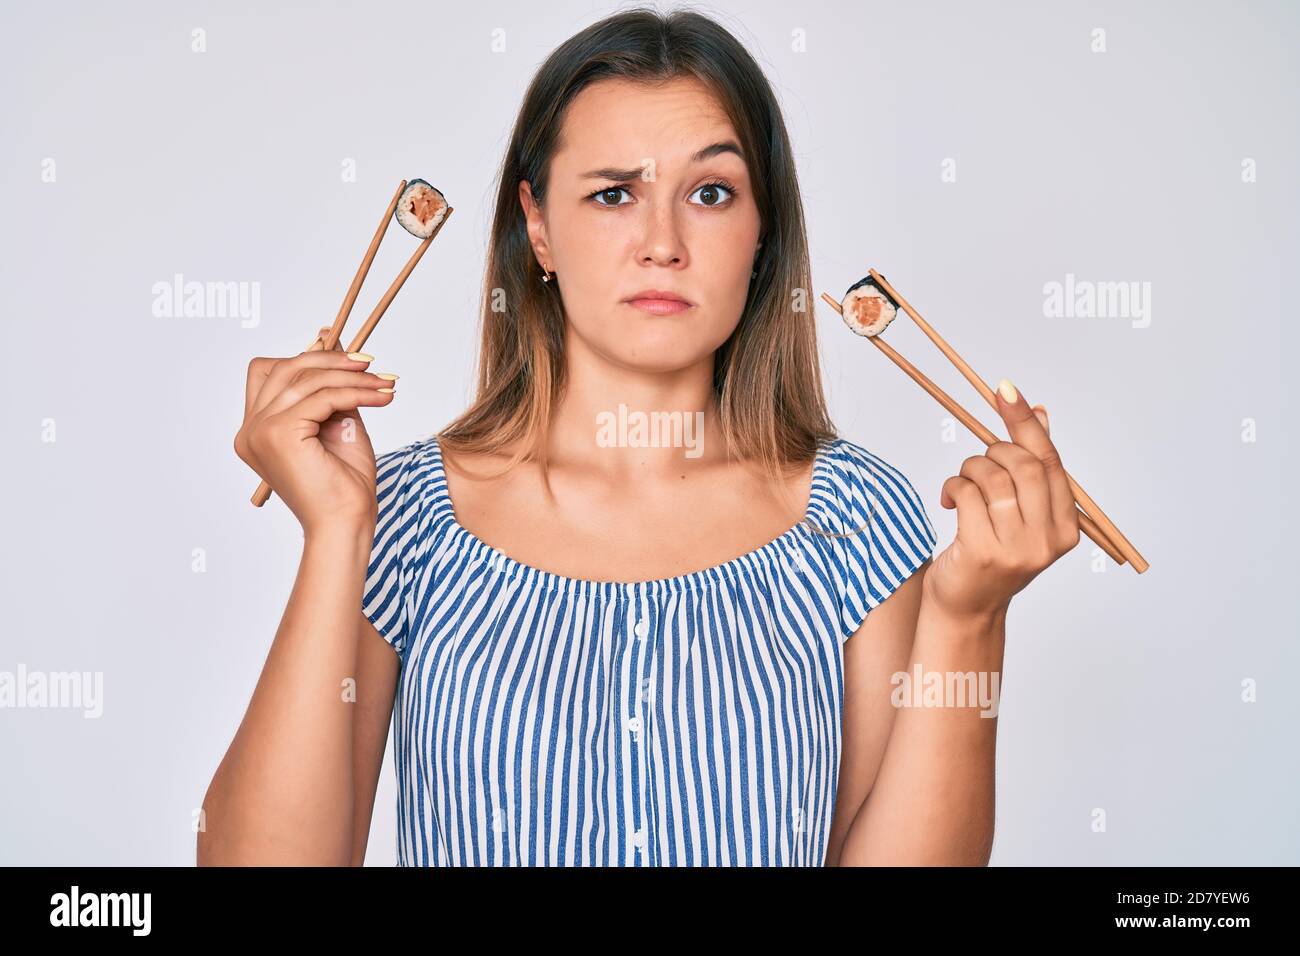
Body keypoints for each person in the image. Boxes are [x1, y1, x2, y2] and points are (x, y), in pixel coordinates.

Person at [200, 7, 1077, 867]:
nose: (663, 243)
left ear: (762, 231)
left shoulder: (853, 515)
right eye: (614, 193)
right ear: (537, 224)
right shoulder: (409, 516)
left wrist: (971, 617)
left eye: (710, 193)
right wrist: (337, 532)